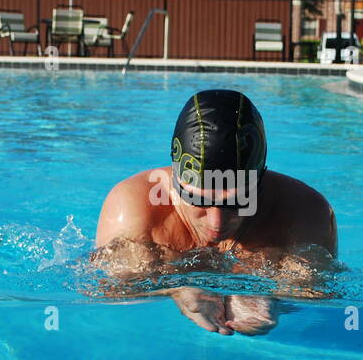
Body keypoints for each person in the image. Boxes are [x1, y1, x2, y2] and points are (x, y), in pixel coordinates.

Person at [93, 89, 337, 335]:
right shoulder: (134, 206)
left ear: (259, 182)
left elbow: (316, 294)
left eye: (239, 200)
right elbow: (110, 290)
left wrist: (274, 299)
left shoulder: (305, 211)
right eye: (197, 199)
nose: (217, 222)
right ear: (176, 180)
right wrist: (175, 290)